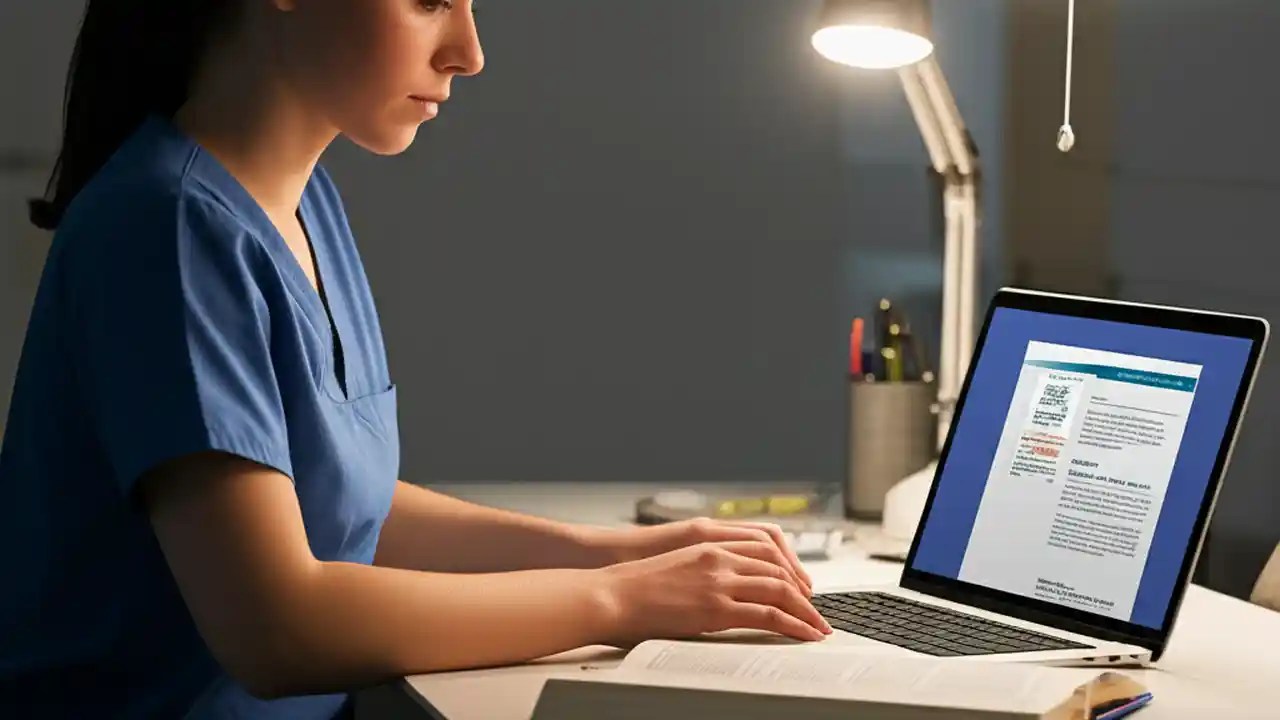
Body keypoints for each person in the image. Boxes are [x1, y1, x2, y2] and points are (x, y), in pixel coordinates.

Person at [0, 1, 832, 717]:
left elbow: (342, 509)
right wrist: (621, 601)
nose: (469, 52)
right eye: (430, 0)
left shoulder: (297, 199)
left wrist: (615, 552)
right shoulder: (168, 226)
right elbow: (277, 627)